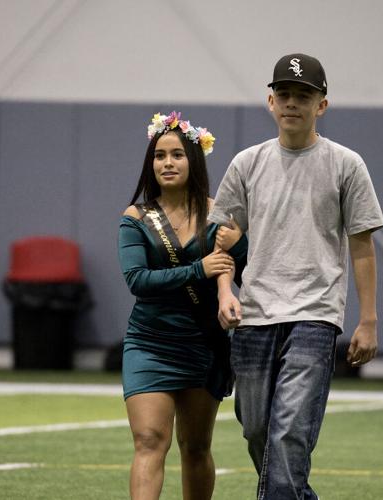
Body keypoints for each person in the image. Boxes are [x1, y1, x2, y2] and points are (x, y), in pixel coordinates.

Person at [210, 53, 383, 499]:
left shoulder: (347, 165)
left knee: (289, 433)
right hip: (253, 314)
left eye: (303, 96)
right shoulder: (247, 164)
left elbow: (362, 245)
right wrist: (224, 292)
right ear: (270, 101)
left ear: (321, 105)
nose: (292, 103)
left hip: (315, 313)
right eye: (284, 94)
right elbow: (221, 240)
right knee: (256, 430)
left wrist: (368, 320)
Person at [117, 111, 247, 500]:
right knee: (149, 439)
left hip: (203, 345)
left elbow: (246, 273)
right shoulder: (135, 218)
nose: (167, 163)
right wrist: (198, 269)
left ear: (194, 160)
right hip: (150, 343)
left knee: (195, 447)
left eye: (176, 155)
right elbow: (137, 281)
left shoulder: (219, 214)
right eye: (159, 156)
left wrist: (238, 243)